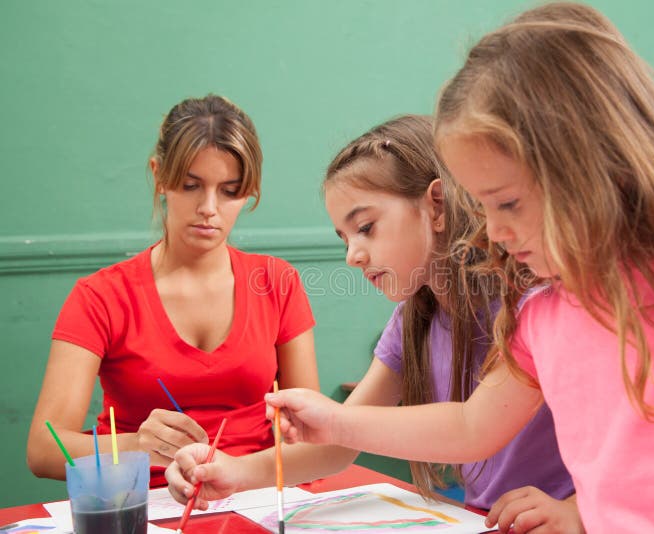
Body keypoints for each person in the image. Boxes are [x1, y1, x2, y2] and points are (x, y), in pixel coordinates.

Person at [263, 3, 654, 533]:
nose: (491, 231)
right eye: (483, 205)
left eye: (508, 203)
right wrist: (331, 420)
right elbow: (471, 426)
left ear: (589, 171)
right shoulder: (542, 318)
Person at [165, 114, 578, 524]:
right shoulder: (413, 318)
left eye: (366, 227)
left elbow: (474, 427)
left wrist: (576, 511)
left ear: (436, 205)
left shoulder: (529, 306)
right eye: (344, 238)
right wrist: (231, 470)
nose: (352, 255)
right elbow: (336, 446)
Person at [27, 94, 320, 487]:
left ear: (248, 192)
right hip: (143, 504)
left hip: (259, 497)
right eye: (190, 185)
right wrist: (137, 445)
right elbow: (44, 450)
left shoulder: (277, 282)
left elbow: (309, 430)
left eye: (230, 191)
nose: (209, 208)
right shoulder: (100, 296)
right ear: (160, 175)